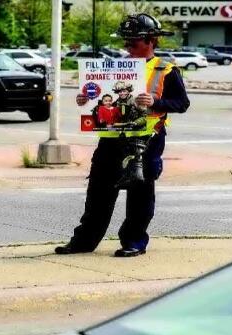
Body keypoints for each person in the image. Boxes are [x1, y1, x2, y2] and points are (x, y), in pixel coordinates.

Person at [56, 13, 190, 258]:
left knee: (140, 194)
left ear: (151, 41)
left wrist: (156, 102)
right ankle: (84, 241)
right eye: (125, 42)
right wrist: (86, 100)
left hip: (146, 141)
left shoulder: (166, 70)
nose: (127, 47)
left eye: (133, 42)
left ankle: (134, 242)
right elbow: (97, 99)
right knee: (98, 191)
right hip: (110, 139)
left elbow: (182, 103)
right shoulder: (114, 68)